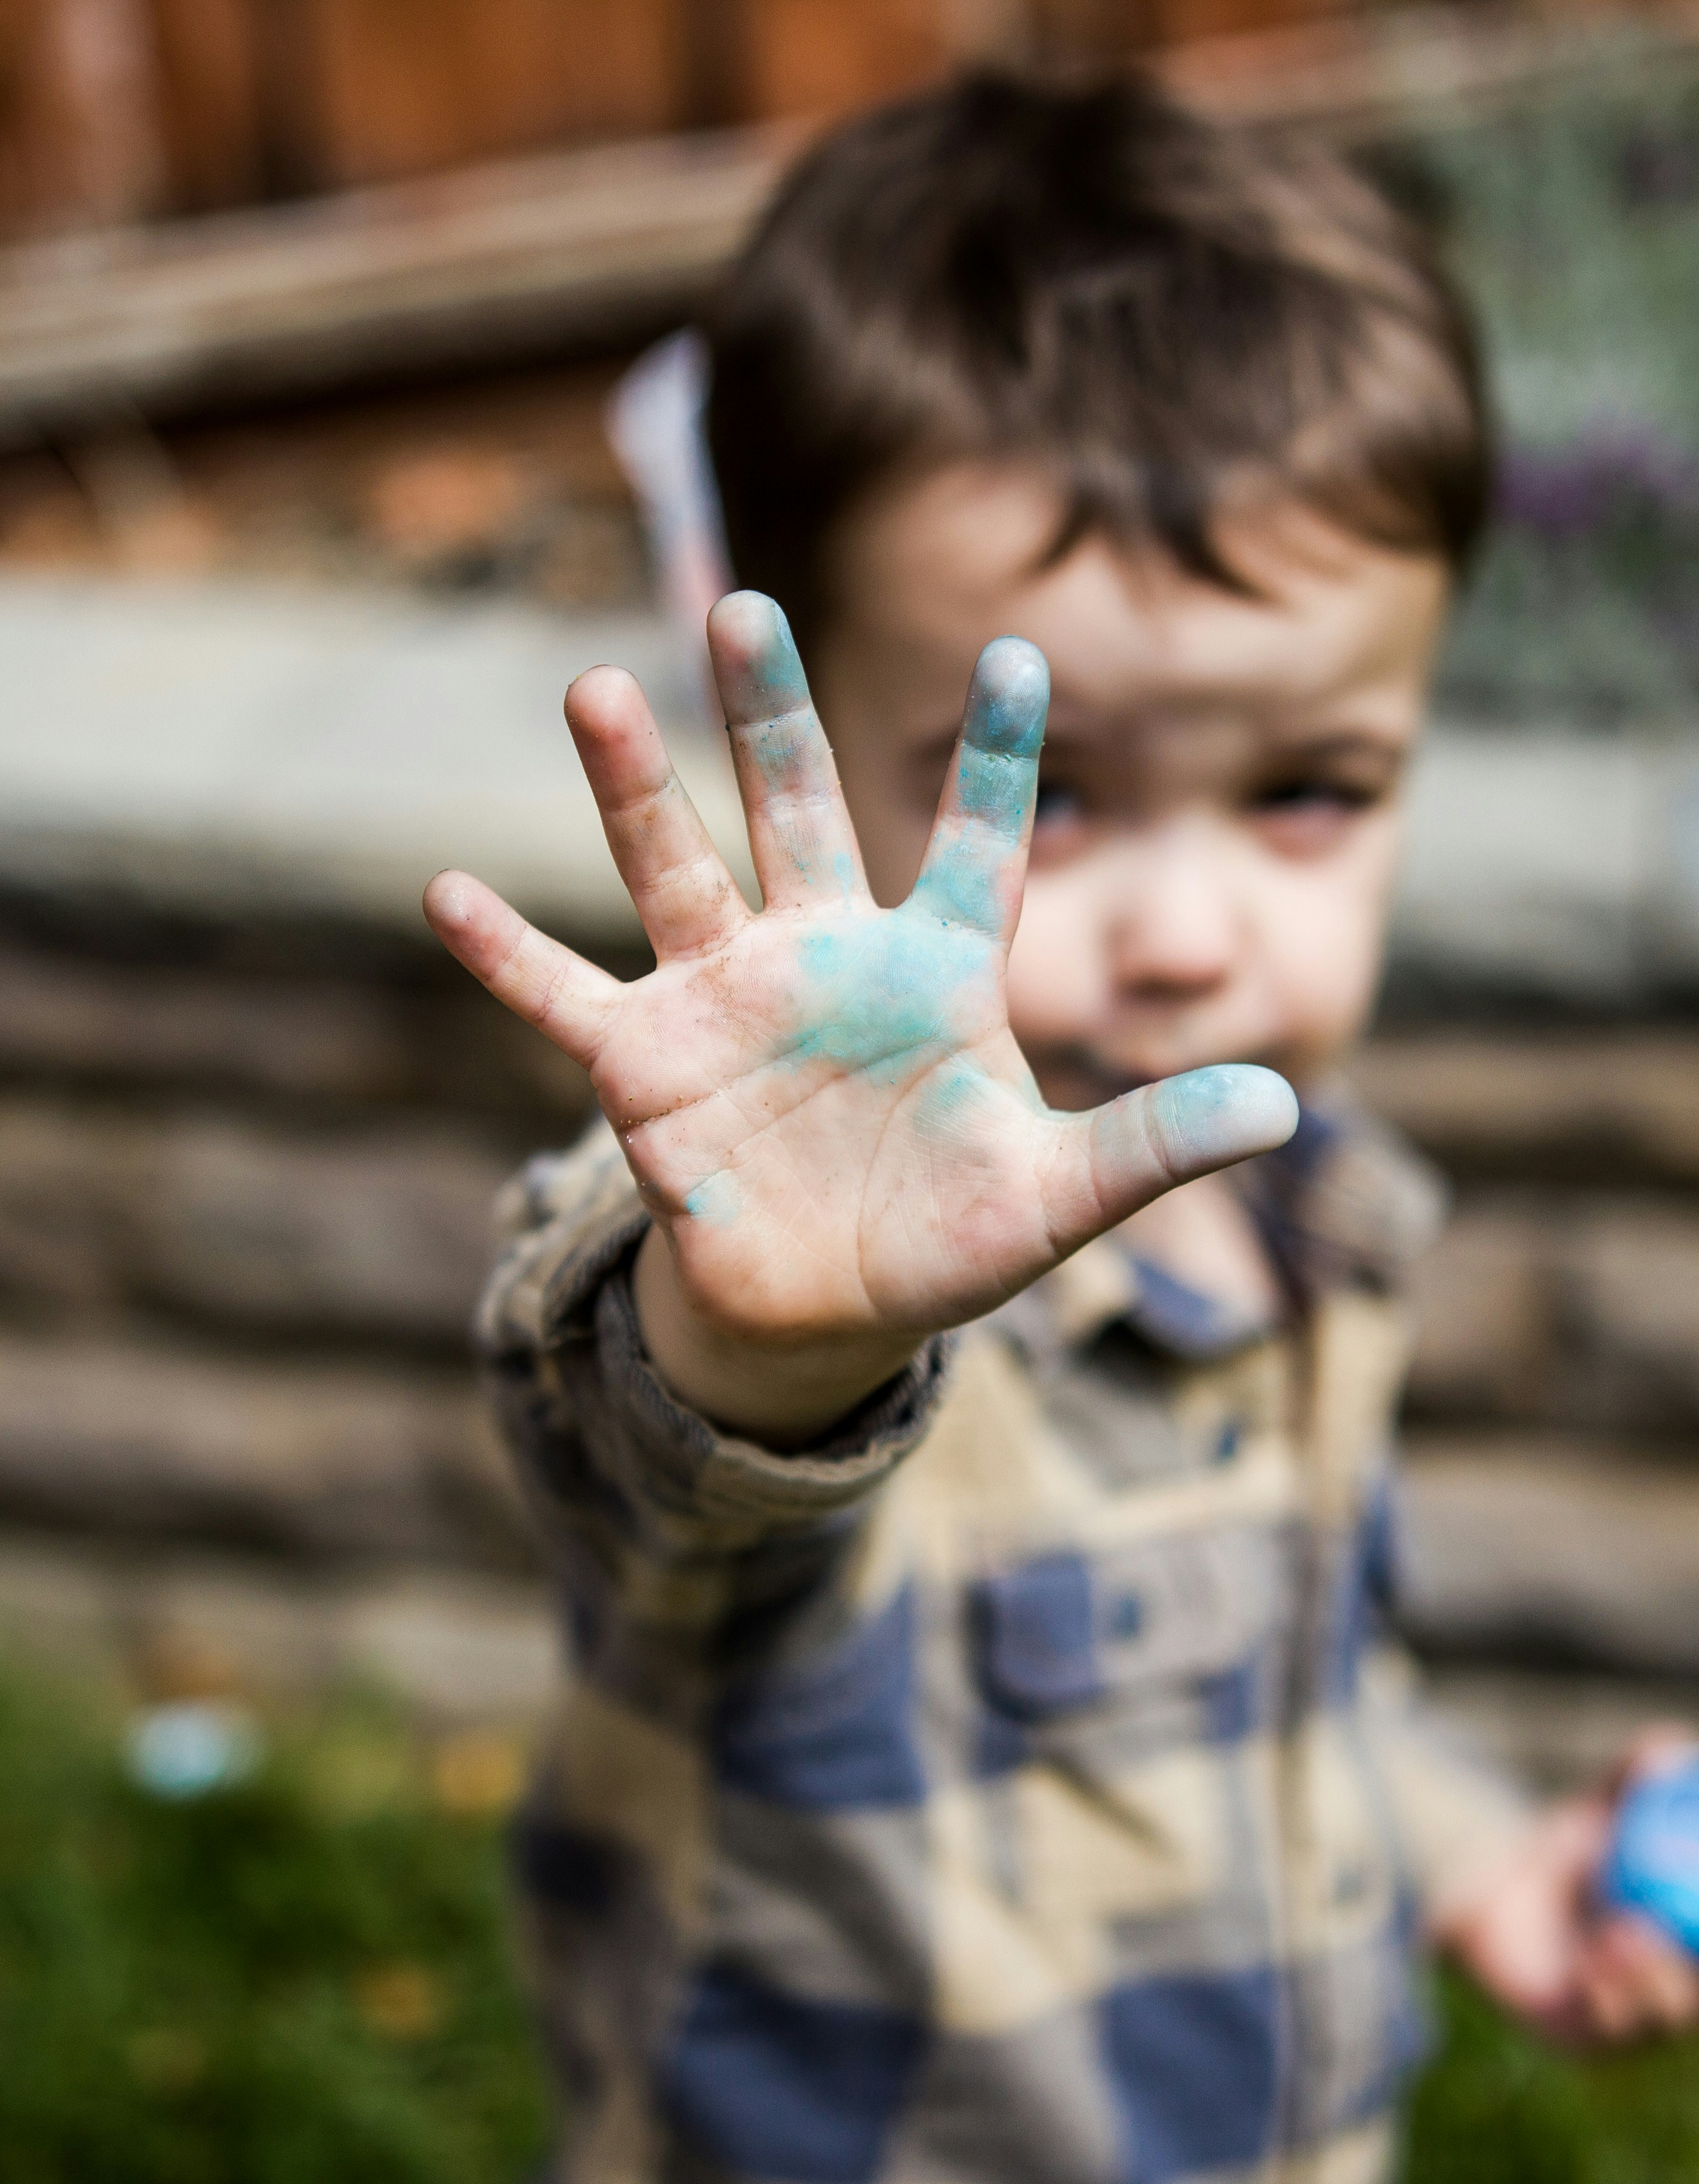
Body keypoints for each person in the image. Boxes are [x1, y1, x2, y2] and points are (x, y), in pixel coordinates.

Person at [425, 72, 1699, 2184]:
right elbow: (655, 1475)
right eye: (1054, 793)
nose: (1192, 932)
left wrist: (1485, 1860)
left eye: (1312, 786)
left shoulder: (1300, 1218)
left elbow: (1282, 1691)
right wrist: (770, 1333)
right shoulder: (783, 1249)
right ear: (808, 733)